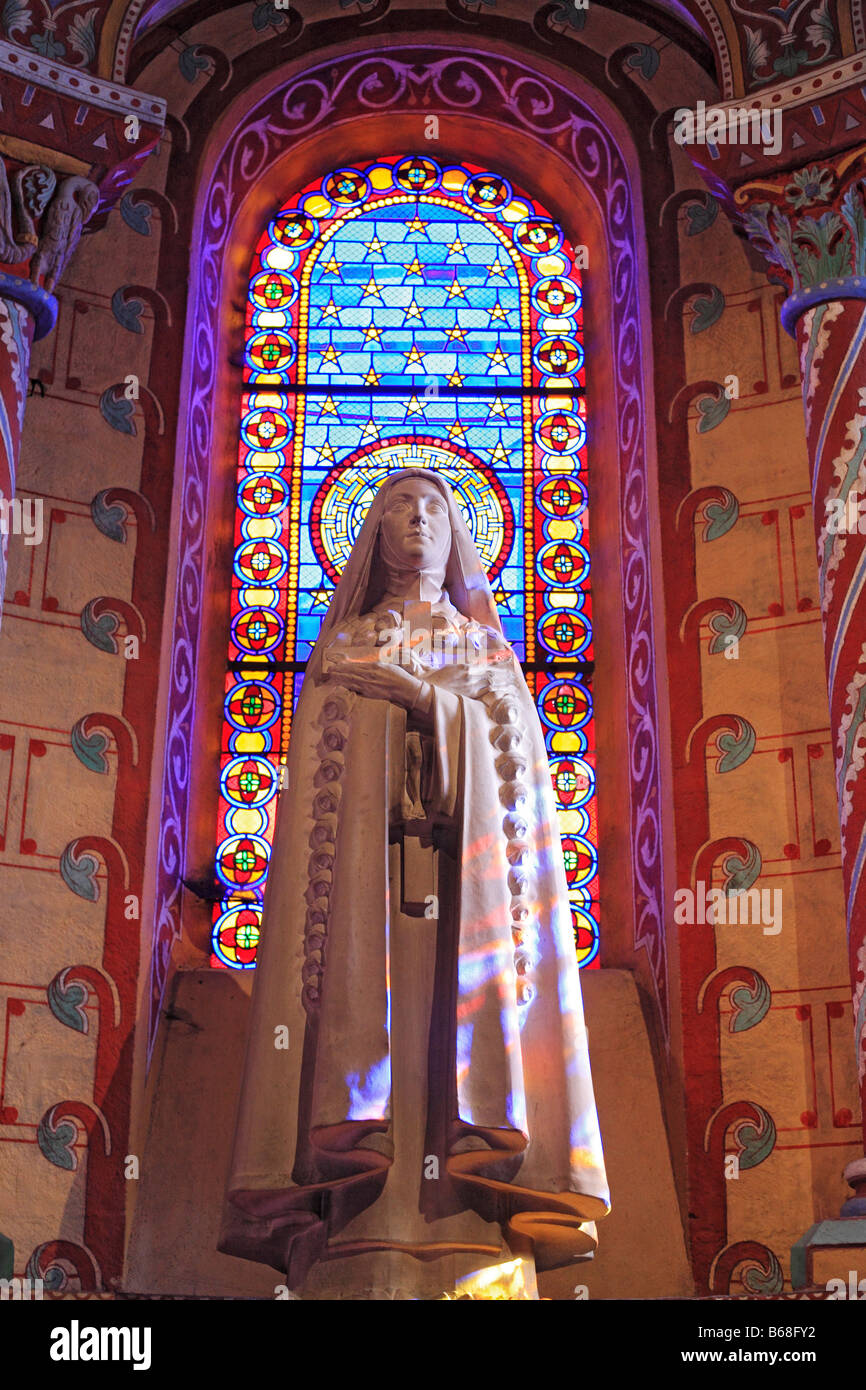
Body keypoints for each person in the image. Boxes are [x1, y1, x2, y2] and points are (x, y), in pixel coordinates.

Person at [218, 468, 609, 1299]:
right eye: (398, 506)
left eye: (435, 507)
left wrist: (427, 703)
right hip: (367, 908)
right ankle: (361, 1236)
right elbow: (320, 807)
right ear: (374, 535)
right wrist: (392, 717)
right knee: (366, 1032)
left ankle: (474, 1234)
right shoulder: (344, 649)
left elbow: (522, 786)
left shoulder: (490, 653)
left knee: (454, 1042)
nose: (418, 519)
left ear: (457, 535)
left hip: (470, 909)